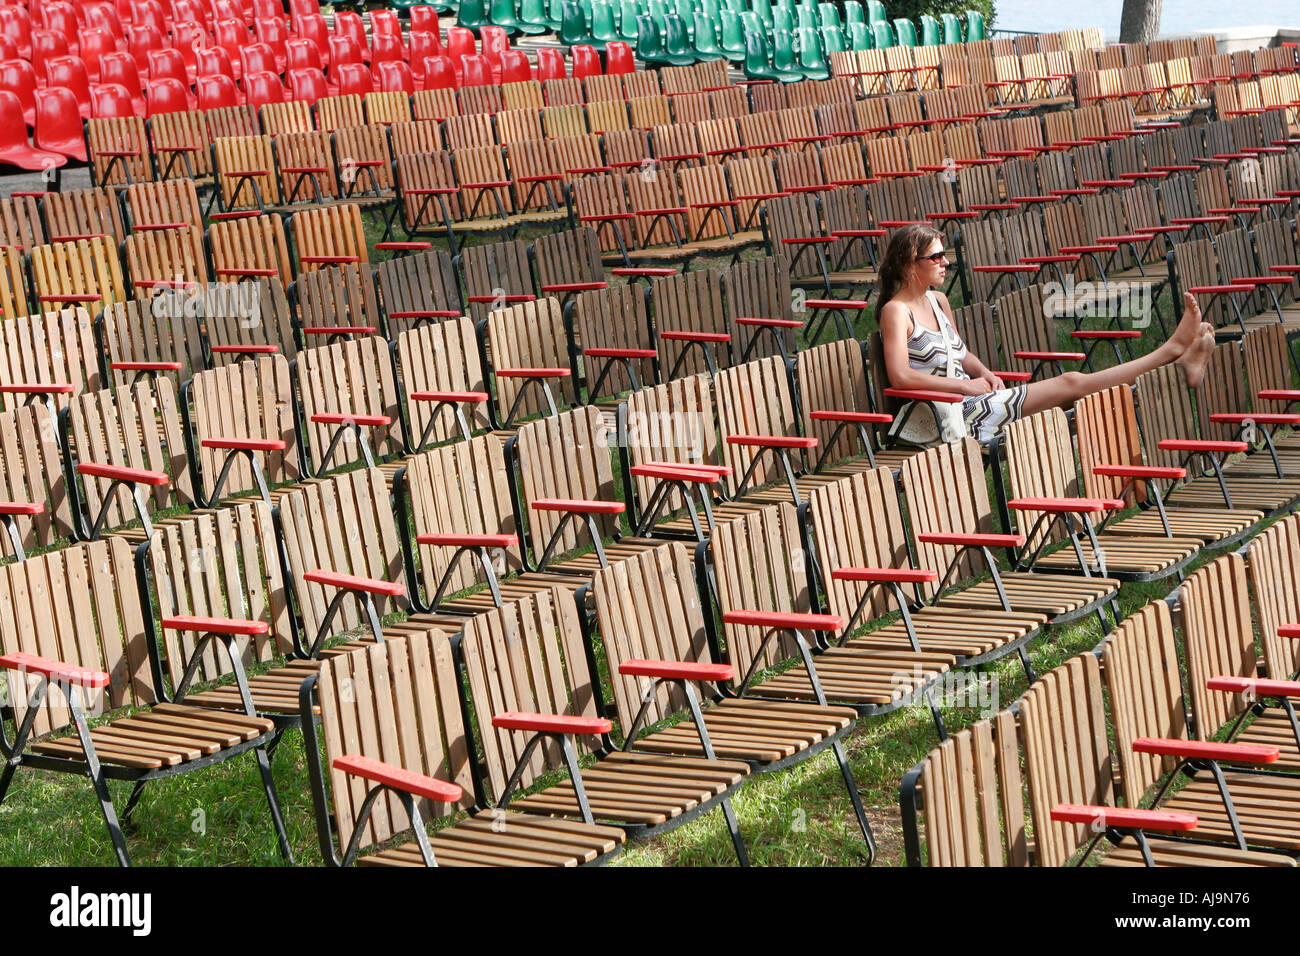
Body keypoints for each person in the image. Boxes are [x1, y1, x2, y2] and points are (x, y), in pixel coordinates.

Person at [877, 223, 1216, 445]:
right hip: (940, 419)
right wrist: (965, 385)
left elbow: (959, 353)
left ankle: (1176, 364)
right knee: (1071, 385)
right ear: (910, 264)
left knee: (1078, 397)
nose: (946, 262)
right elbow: (901, 377)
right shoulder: (896, 311)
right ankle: (1171, 355)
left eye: (944, 255)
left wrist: (982, 372)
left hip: (968, 403)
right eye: (936, 256)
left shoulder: (937, 301)